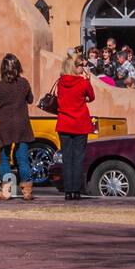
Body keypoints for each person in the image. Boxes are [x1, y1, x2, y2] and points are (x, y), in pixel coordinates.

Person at [0, 53, 35, 201]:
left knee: (5, 159)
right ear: (18, 67)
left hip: (5, 126)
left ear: (3, 69)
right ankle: (27, 191)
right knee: (22, 159)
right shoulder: (24, 83)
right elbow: (31, 100)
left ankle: (7, 192)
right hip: (22, 125)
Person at [54, 61, 95, 200]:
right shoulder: (83, 82)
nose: (81, 68)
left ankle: (68, 191)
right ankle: (76, 191)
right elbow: (92, 96)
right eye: (79, 66)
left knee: (67, 158)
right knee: (78, 158)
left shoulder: (61, 83)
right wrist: (88, 80)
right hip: (80, 124)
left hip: (64, 123)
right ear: (74, 68)